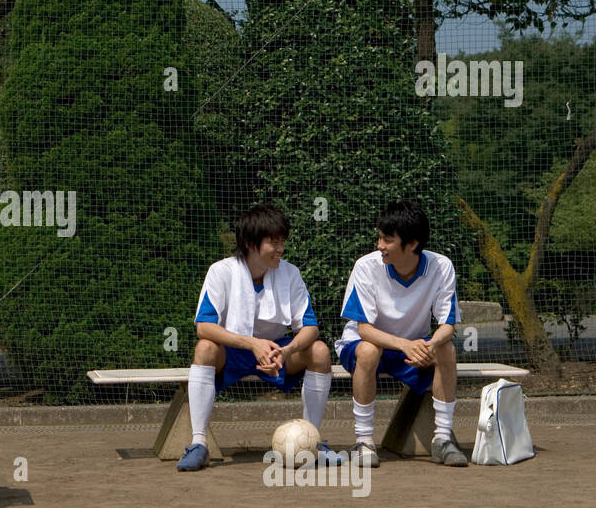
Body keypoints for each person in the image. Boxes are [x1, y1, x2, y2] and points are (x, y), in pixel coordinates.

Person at [179, 204, 335, 471]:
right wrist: (252, 344)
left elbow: (310, 328)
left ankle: (314, 443)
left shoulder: (291, 273)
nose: (281, 249)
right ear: (251, 244)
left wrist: (286, 352)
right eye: (273, 243)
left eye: (282, 242)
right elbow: (204, 326)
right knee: (205, 348)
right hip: (235, 349)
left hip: (278, 350)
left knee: (319, 351)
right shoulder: (221, 271)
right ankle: (199, 444)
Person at [334, 199, 465, 468]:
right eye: (380, 238)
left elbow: (447, 325)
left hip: (412, 348)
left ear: (412, 244)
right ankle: (364, 441)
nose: (379, 246)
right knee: (369, 350)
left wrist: (429, 347)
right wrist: (405, 345)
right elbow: (364, 329)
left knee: (446, 348)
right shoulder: (366, 266)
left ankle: (442, 440)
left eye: (387, 240)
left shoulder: (442, 267)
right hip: (365, 344)